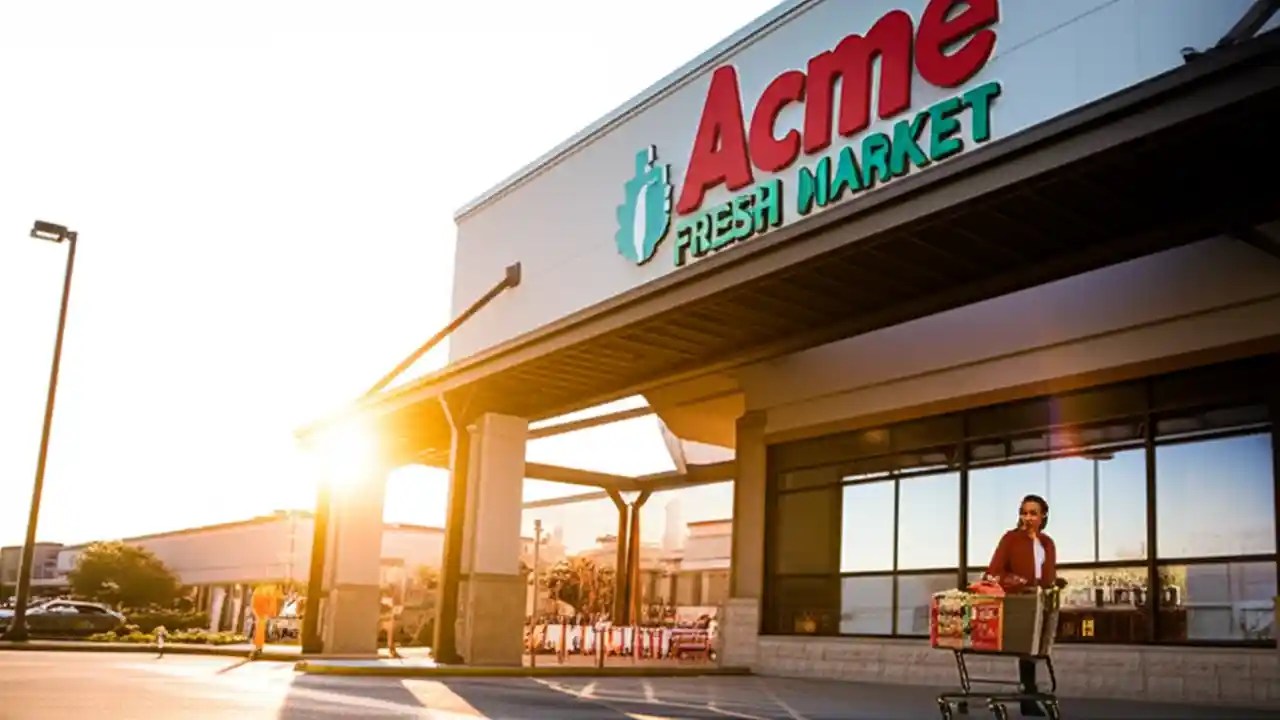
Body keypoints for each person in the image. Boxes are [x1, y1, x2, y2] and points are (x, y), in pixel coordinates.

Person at [985, 494, 1057, 718]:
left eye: (1033, 513)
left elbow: (1047, 575)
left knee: (1035, 648)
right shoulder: (1011, 539)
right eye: (1024, 512)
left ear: (1043, 516)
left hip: (1039, 601)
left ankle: (1030, 693)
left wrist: (1051, 585)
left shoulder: (1047, 543)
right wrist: (1015, 581)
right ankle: (1029, 694)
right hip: (1018, 601)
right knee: (1026, 646)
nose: (1028, 517)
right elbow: (994, 571)